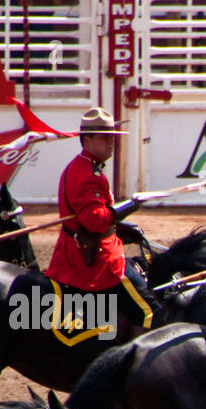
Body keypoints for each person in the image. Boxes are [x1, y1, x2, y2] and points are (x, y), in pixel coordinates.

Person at [45, 107, 157, 333]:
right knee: (149, 310)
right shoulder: (89, 176)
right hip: (97, 259)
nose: (110, 143)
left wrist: (120, 225)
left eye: (112, 137)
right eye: (105, 138)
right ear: (86, 141)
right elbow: (95, 221)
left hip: (77, 249)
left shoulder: (81, 166)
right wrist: (128, 206)